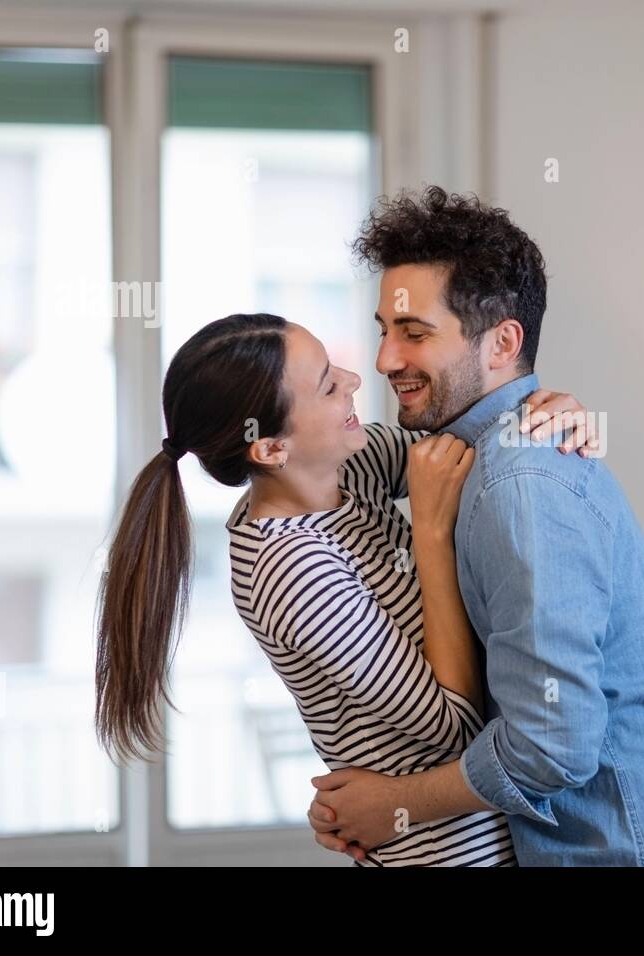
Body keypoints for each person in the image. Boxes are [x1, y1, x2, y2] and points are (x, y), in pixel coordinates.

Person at [307, 187, 644, 866]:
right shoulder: (463, 456)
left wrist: (394, 805)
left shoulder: (520, 484)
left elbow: (552, 744)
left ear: (502, 342)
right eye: (384, 330)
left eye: (414, 333)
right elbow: (312, 461)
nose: (385, 360)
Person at [93, 311, 593, 865]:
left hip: (505, 838)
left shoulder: (347, 470)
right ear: (271, 449)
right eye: (329, 384)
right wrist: (428, 533)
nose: (356, 381)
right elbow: (455, 727)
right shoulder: (287, 570)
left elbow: (466, 450)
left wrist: (544, 413)